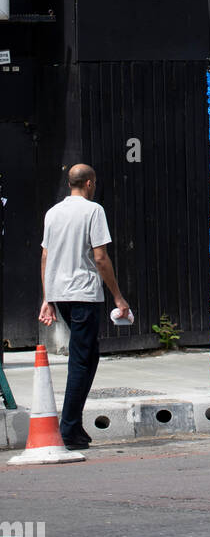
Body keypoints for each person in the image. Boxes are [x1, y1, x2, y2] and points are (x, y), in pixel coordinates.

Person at [37, 164, 130, 450]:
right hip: (84, 293)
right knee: (81, 360)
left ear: (70, 183)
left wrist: (47, 298)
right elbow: (100, 257)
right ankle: (68, 429)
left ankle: (74, 425)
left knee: (89, 357)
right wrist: (118, 297)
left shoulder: (53, 213)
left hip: (61, 292)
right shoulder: (93, 211)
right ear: (89, 183)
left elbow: (45, 257)